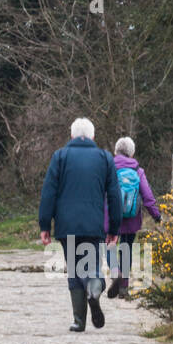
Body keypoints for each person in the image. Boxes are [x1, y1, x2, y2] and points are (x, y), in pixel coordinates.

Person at [39, 117, 122, 332]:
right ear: (93, 136)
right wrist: (114, 228)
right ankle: (94, 290)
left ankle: (79, 321)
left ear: (72, 135)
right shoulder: (104, 158)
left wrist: (44, 225)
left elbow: (49, 192)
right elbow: (114, 195)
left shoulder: (61, 156)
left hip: (67, 224)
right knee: (92, 266)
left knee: (75, 269)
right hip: (93, 224)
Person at [105, 136, 161, 299]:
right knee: (126, 249)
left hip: (110, 217)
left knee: (109, 245)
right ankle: (123, 289)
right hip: (131, 217)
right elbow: (147, 196)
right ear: (132, 153)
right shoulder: (138, 170)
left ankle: (116, 273)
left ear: (115, 151)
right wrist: (156, 215)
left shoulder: (107, 168)